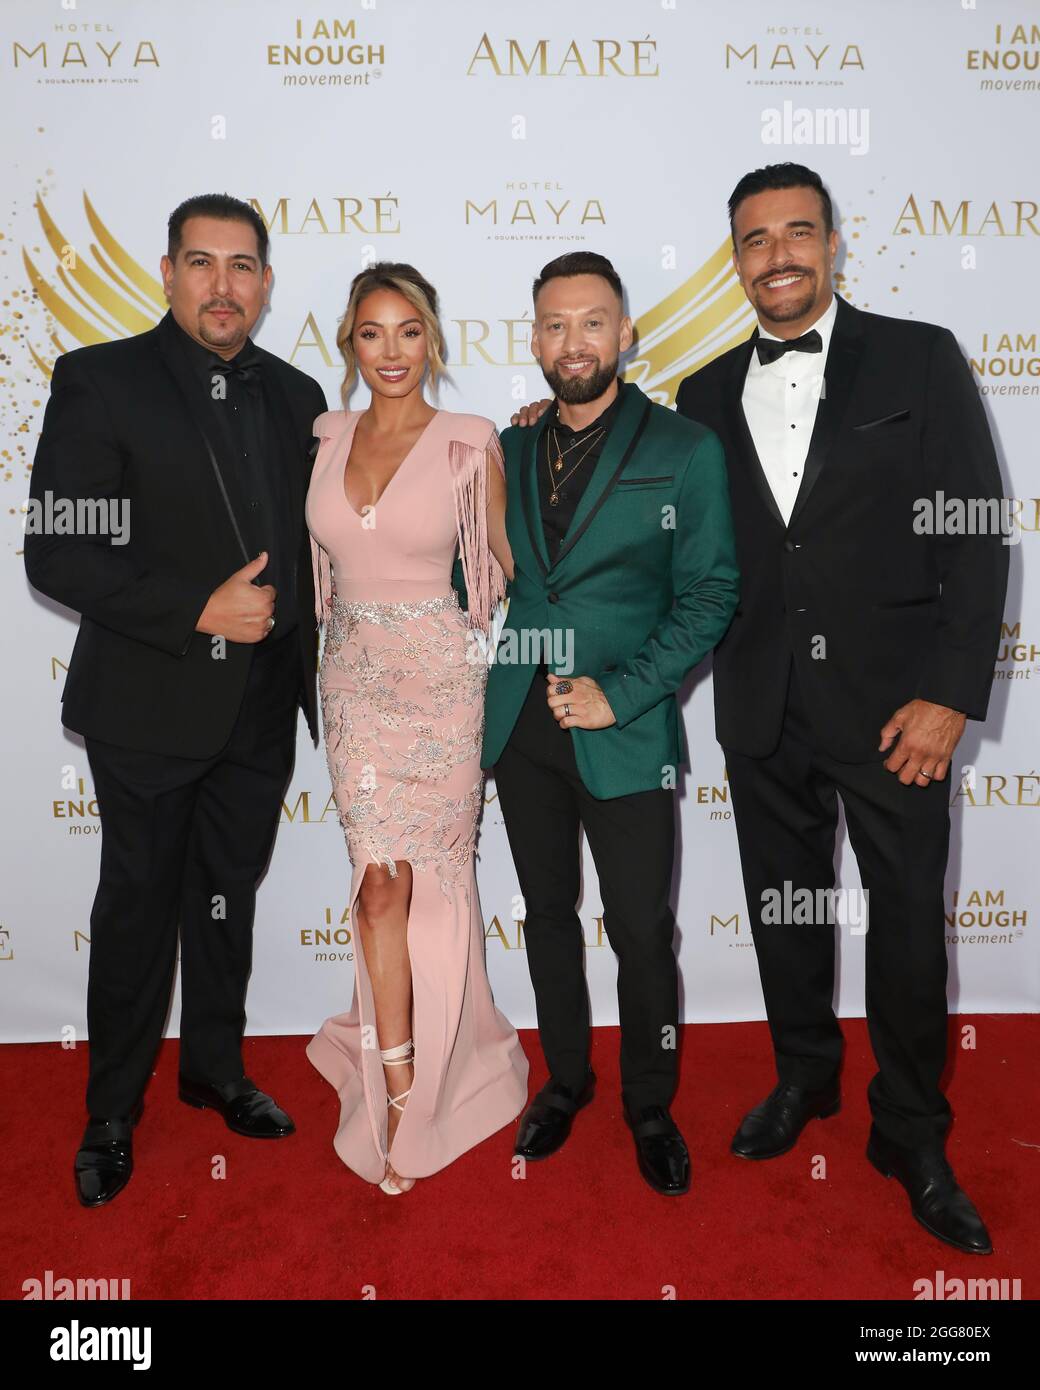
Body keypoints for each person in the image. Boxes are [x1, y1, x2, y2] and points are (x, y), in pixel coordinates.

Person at [675, 163, 1009, 1254]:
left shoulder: (916, 355)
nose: (776, 255)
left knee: (907, 929)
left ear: (831, 241)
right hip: (761, 702)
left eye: (796, 233)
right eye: (754, 240)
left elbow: (970, 524)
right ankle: (804, 1080)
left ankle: (909, 1130)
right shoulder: (704, 393)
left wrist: (950, 695)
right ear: (735, 260)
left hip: (894, 713)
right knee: (785, 912)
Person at [24, 193, 328, 1207]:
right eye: (201, 263)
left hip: (261, 705)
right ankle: (111, 1111)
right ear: (166, 272)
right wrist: (198, 608)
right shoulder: (101, 379)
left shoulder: (298, 396)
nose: (222, 284)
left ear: (267, 283)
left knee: (224, 899)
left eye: (242, 266)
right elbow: (58, 549)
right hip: (150, 705)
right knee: (137, 908)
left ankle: (213, 1069)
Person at [490, 251, 739, 1195]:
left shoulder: (684, 450)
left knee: (641, 928)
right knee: (549, 918)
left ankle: (650, 1103)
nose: (574, 342)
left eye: (593, 322)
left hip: (625, 730)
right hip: (521, 729)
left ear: (625, 333)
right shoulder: (507, 452)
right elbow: (486, 581)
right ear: (535, 339)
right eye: (555, 325)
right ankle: (564, 1081)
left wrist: (621, 691)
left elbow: (711, 592)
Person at [305, 262, 528, 1195]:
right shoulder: (325, 433)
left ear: (431, 339)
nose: (390, 350)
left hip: (439, 681)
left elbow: (499, 576)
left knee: (431, 882)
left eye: (407, 331)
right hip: (350, 677)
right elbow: (322, 574)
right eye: (370, 332)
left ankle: (439, 1071)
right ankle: (398, 1082)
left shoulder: (469, 444)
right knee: (376, 889)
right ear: (349, 342)